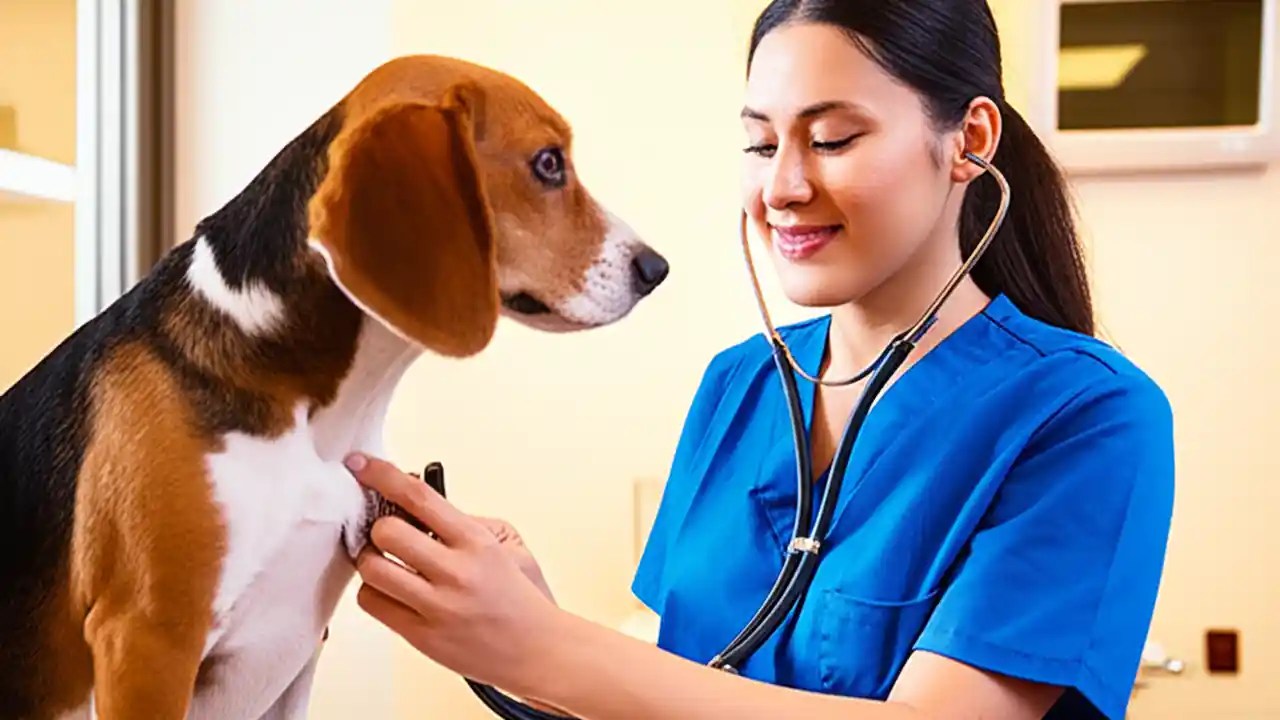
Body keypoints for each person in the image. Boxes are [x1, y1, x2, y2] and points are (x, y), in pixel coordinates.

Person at [346, 1, 1176, 718]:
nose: (781, 187)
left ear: (970, 140)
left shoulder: (1087, 415)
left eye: (833, 139)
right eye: (759, 144)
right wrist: (521, 622)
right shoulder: (739, 386)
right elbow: (683, 684)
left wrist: (545, 649)